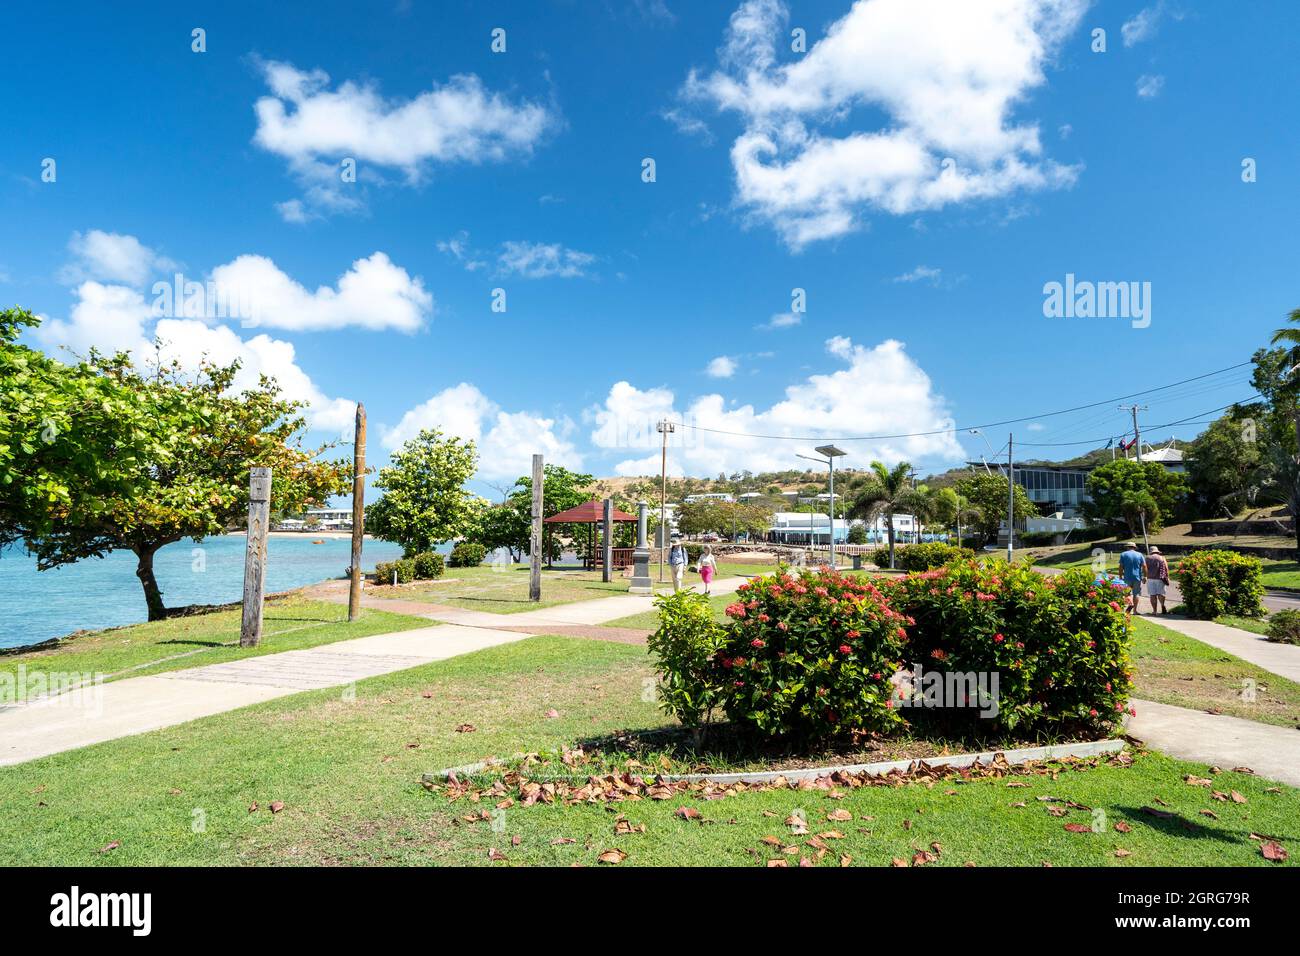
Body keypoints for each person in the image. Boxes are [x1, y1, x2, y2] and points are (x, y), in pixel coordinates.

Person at [1118, 541, 1146, 614]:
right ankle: (1135, 611)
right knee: (1136, 594)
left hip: (1127, 577)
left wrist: (1120, 576)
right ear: (1134, 547)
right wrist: (1145, 576)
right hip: (1137, 577)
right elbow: (1144, 566)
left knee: (1126, 593)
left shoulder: (1123, 554)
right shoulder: (1140, 555)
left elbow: (1121, 566)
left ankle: (1131, 604)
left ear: (1127, 547)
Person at [1145, 546, 1170, 615]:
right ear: (1157, 551)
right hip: (1160, 578)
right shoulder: (1162, 558)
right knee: (1161, 593)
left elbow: (1144, 568)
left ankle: (1154, 611)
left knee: (1152, 595)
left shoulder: (1147, 558)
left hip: (1150, 579)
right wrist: (1167, 577)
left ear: (1150, 552)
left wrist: (1144, 577)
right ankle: (1162, 605)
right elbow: (1166, 568)